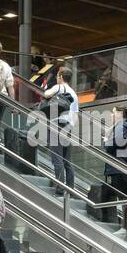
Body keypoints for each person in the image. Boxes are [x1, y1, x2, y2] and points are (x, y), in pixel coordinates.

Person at [40, 67, 79, 196]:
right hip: (68, 126)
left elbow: (45, 94)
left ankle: (60, 188)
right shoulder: (73, 93)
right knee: (67, 159)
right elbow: (75, 115)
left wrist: (46, 86)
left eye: (57, 76)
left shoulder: (58, 87)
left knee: (57, 158)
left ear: (61, 77)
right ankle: (71, 188)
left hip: (56, 124)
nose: (57, 78)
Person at [103, 105, 127, 200]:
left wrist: (106, 142)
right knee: (125, 198)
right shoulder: (125, 125)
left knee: (126, 199)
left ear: (120, 114)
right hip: (122, 167)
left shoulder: (121, 125)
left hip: (119, 168)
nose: (111, 115)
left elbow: (117, 142)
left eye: (113, 112)